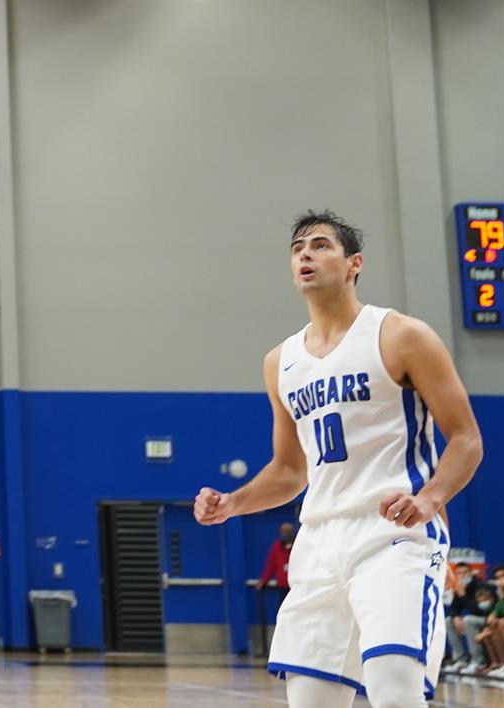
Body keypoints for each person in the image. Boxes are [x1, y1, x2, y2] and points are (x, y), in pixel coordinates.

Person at [195, 210, 484, 708]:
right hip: (320, 542)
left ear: (354, 264)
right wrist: (232, 502)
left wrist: (431, 497)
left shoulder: (401, 335)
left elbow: (466, 438)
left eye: (321, 245)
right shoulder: (280, 361)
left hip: (394, 534)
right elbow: (290, 471)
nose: (305, 253)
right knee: (311, 700)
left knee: (395, 690)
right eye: (297, 247)